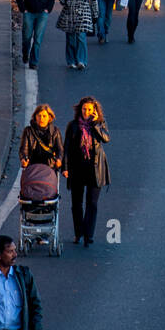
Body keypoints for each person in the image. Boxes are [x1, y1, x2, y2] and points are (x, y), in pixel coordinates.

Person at [62, 97, 111, 247]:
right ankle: (79, 233)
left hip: (95, 168)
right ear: (80, 109)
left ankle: (89, 234)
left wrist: (95, 124)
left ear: (95, 111)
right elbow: (67, 148)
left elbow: (105, 139)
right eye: (84, 109)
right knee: (76, 203)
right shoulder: (73, 125)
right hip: (77, 168)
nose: (86, 112)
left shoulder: (99, 124)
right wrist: (65, 167)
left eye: (90, 109)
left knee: (92, 203)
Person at [56, 0, 99, 71]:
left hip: (84, 12)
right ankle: (71, 61)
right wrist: (65, 1)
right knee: (70, 37)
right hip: (69, 12)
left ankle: (81, 61)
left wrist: (95, 14)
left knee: (81, 37)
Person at [15, 0, 56, 69]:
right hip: (29, 12)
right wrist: (23, 9)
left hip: (42, 13)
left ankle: (34, 62)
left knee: (38, 38)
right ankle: (25, 54)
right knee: (27, 37)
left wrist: (48, 9)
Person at [19, 104, 63, 170]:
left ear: (49, 118)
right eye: (39, 116)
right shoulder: (28, 131)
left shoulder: (55, 132)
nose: (41, 118)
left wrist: (59, 160)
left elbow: (60, 149)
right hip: (32, 167)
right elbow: (23, 149)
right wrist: (24, 159)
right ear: (35, 117)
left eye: (44, 116)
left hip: (50, 168)